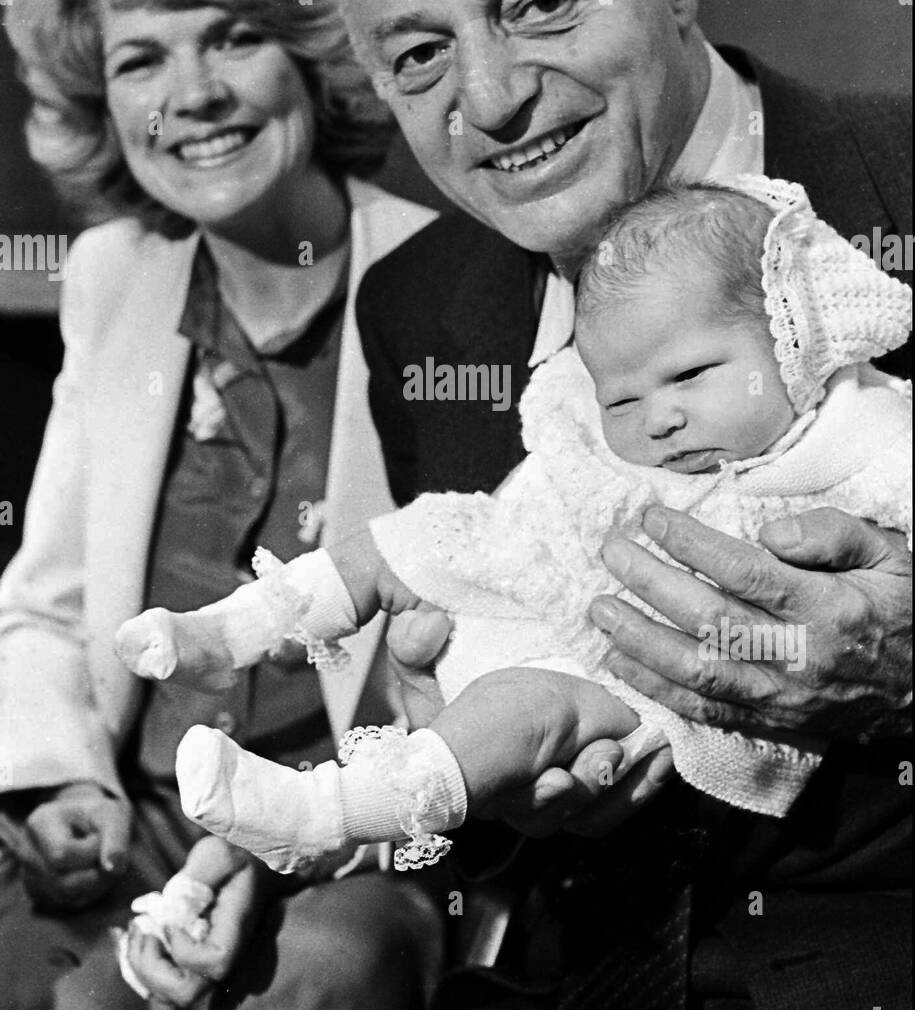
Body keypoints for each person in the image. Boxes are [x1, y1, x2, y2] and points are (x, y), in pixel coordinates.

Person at [338, 0, 911, 1010]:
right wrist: (473, 785)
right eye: (419, 55)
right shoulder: (419, 307)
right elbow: (475, 831)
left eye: (541, 3)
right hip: (558, 989)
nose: (489, 98)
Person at [115, 174, 911, 883]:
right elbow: (525, 509)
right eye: (622, 400)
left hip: (631, 688)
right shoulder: (417, 304)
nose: (660, 419)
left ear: (793, 334)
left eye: (693, 376)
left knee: (524, 707)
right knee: (419, 533)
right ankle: (236, 629)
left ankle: (326, 814)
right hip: (555, 607)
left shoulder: (858, 432)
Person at [0, 0, 442, 1010]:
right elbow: (44, 607)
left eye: (232, 37)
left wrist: (301, 834)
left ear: (310, 56)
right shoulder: (114, 278)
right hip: (136, 809)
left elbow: (488, 643)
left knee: (311, 988)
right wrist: (58, 782)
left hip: (358, 826)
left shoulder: (451, 280)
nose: (190, 94)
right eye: (141, 58)